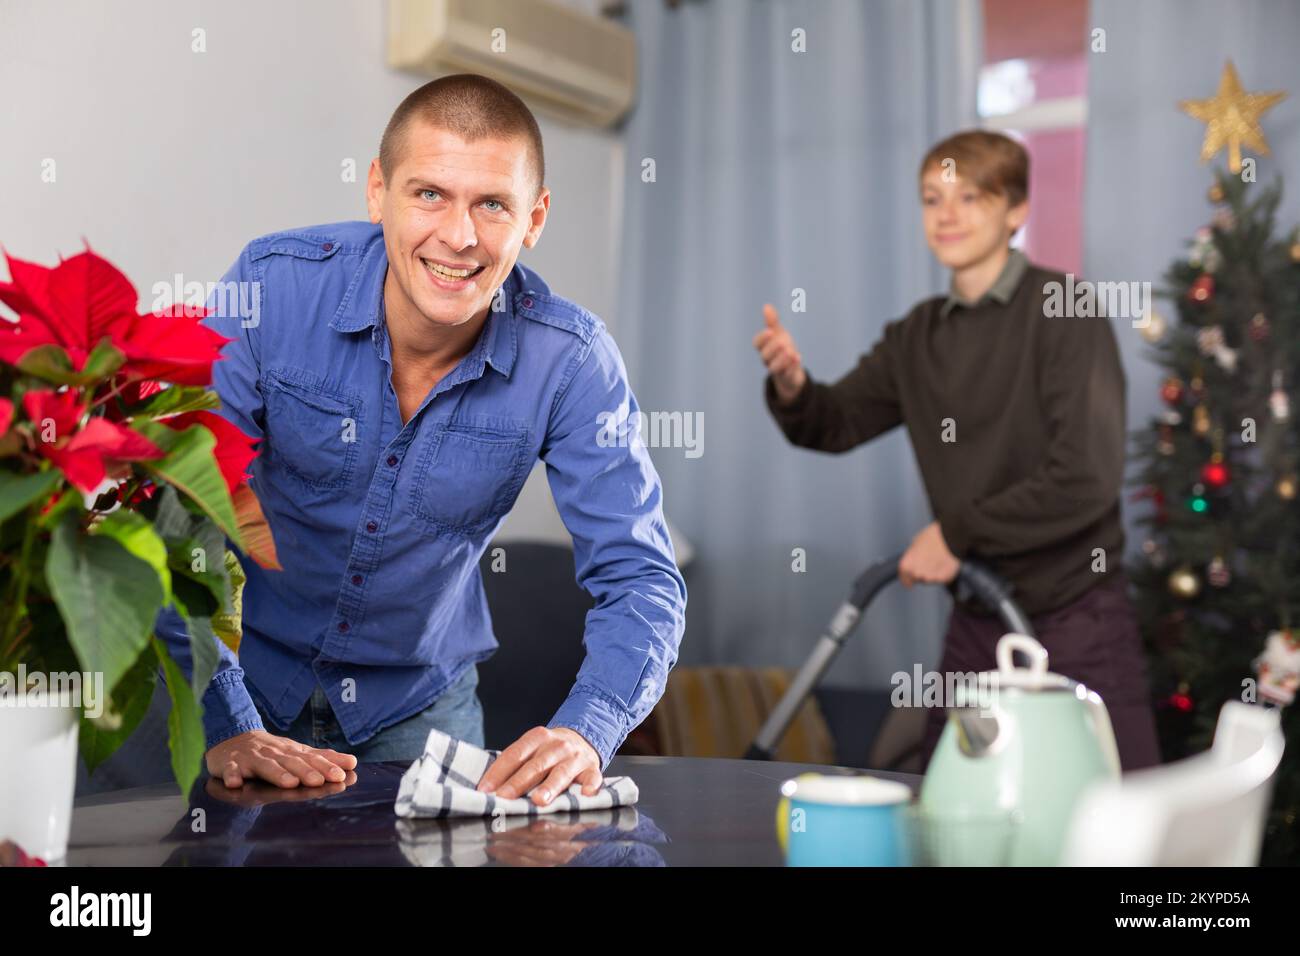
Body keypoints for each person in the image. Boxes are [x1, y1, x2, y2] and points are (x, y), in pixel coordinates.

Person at [158, 74, 687, 805]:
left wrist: (586, 731)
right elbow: (178, 515)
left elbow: (640, 577)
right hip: (237, 674)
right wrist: (225, 718)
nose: (460, 237)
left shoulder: (572, 362)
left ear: (534, 219)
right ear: (378, 191)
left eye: (492, 204)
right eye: (429, 193)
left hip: (417, 707)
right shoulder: (270, 289)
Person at [753, 130, 1160, 772]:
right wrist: (793, 385)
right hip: (976, 621)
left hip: (1075, 615)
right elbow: (830, 425)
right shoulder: (918, 335)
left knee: (1119, 815)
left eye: (971, 196)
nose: (947, 214)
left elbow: (1084, 477)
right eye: (932, 197)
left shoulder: (1065, 312)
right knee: (948, 810)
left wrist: (956, 535)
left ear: (1017, 211)